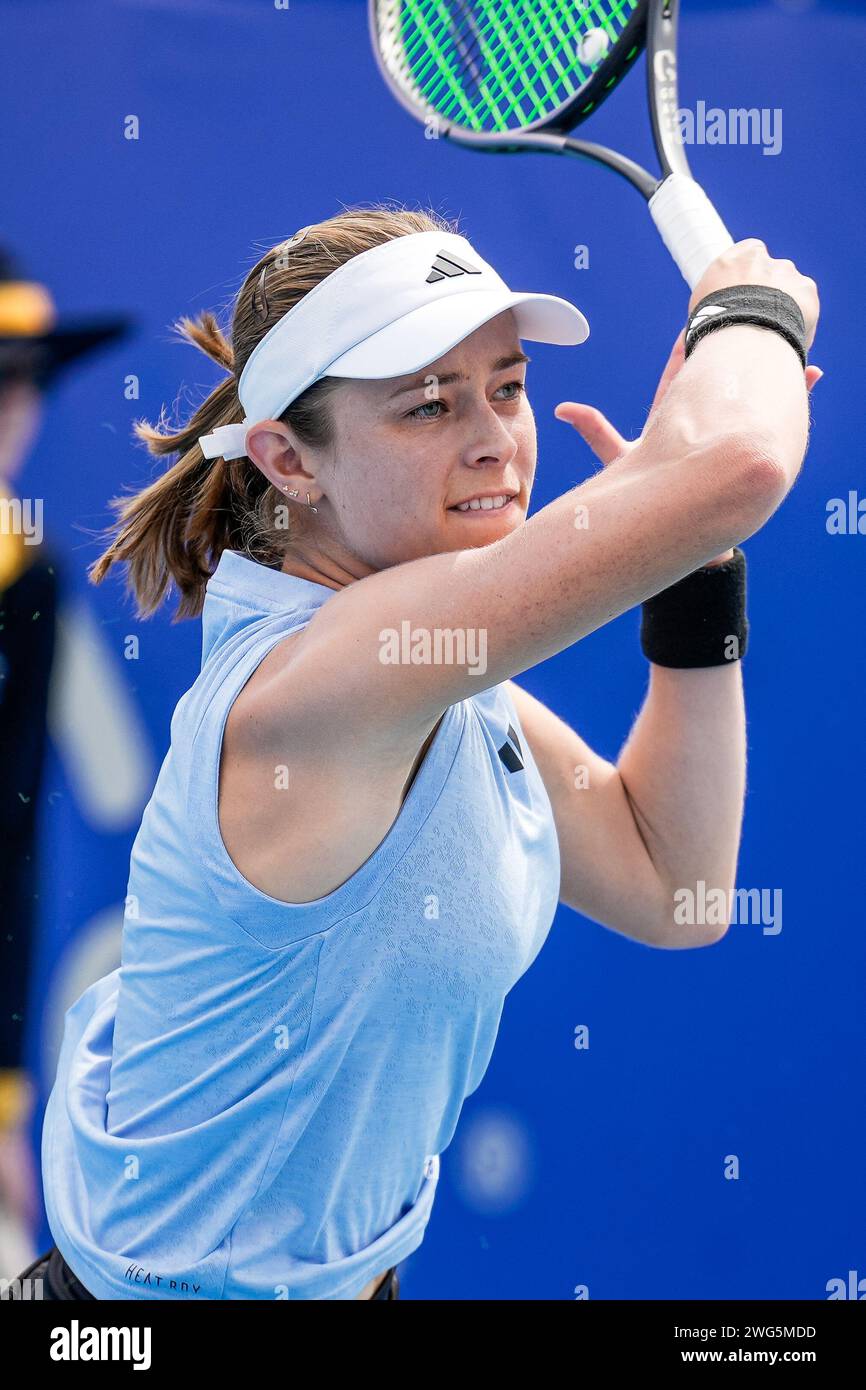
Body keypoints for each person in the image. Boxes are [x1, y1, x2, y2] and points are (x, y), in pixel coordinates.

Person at [7, 203, 819, 1302]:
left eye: (507, 385)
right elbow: (739, 456)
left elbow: (673, 885)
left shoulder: (435, 674)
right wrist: (750, 311)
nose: (492, 435)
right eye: (428, 403)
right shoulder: (323, 686)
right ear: (289, 461)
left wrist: (690, 574)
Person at [0, 248, 130, 1280]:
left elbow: (11, 840)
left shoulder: (27, 577)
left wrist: (2, 1097)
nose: (13, 406)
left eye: (24, 379)